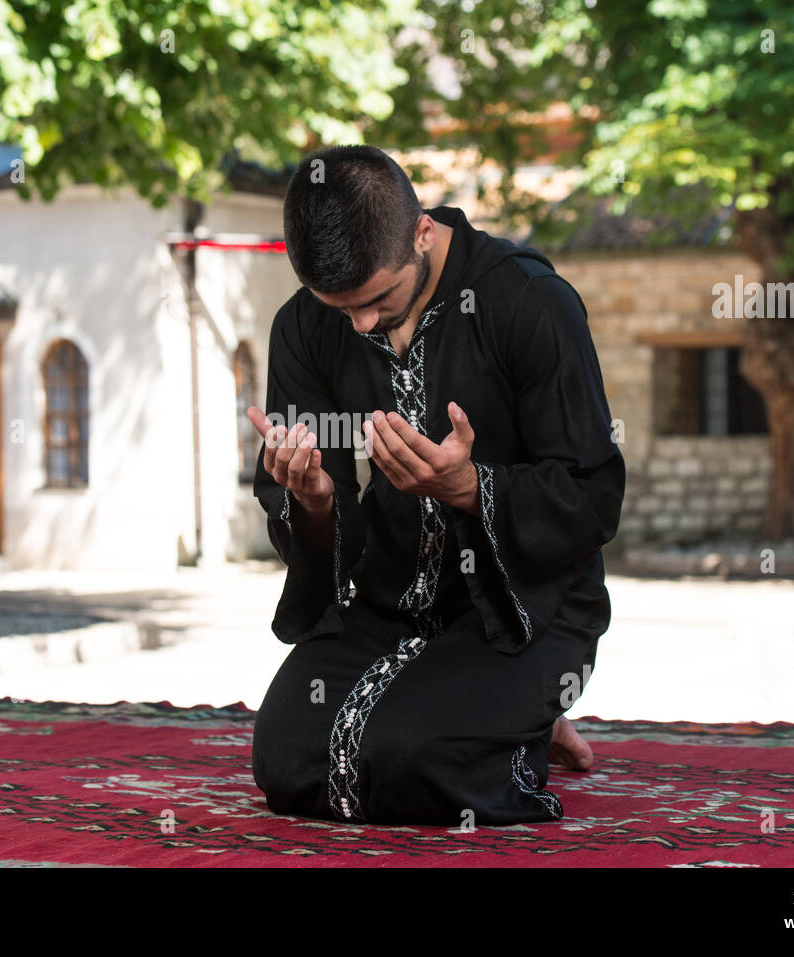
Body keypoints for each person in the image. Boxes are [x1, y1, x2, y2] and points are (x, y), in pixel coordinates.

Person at [248, 145, 625, 826]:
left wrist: (469, 487)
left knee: (410, 753)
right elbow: (318, 527)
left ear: (423, 231)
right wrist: (314, 498)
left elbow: (593, 493)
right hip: (387, 602)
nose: (361, 324)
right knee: (288, 757)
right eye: (341, 308)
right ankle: (493, 713)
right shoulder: (306, 325)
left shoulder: (529, 302)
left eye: (378, 300)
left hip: (521, 611)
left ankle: (522, 716)